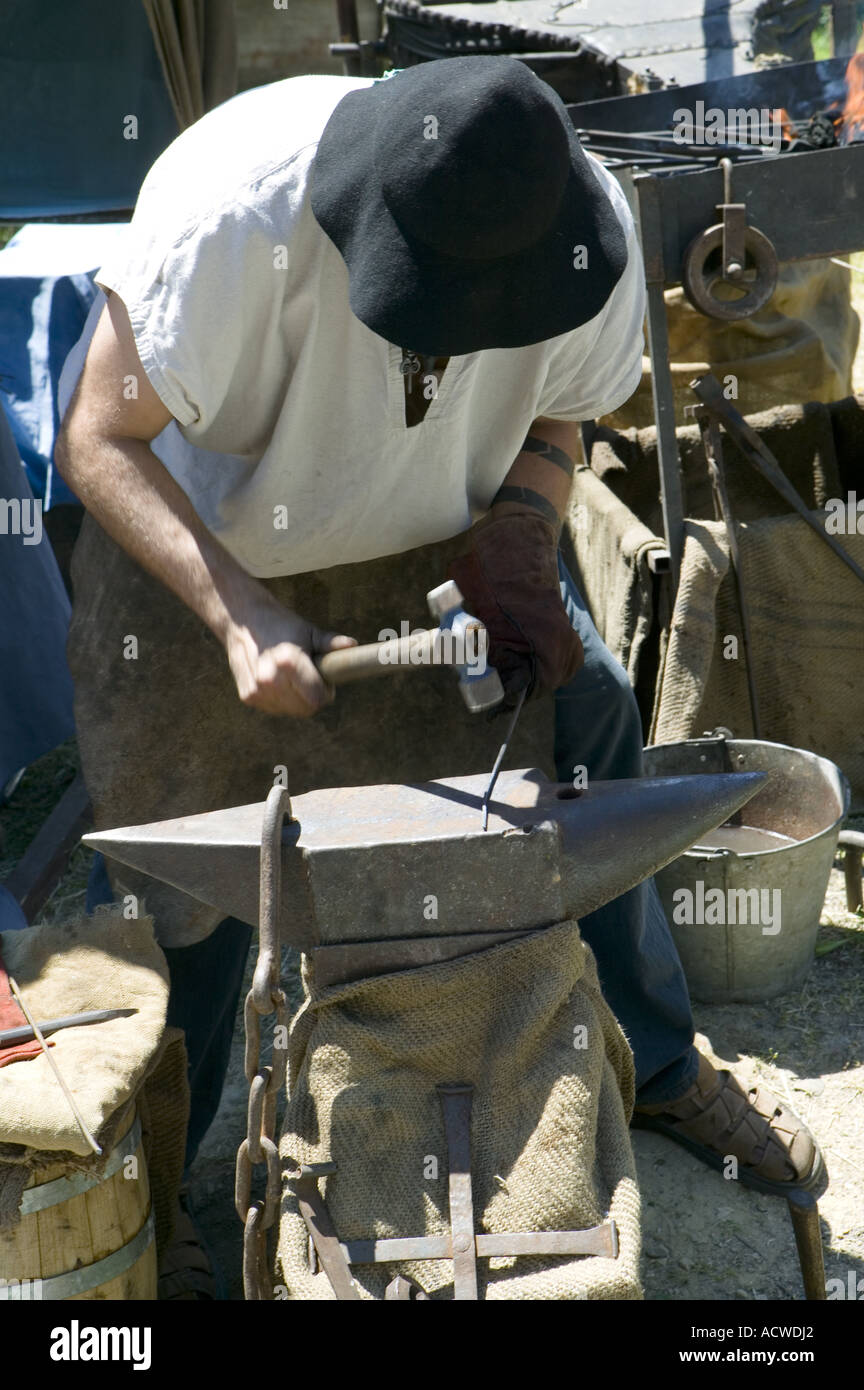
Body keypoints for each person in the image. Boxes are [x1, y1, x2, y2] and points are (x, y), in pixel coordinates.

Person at [56, 57, 821, 1294]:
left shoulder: (587, 237)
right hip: (205, 557)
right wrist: (241, 613)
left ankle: (663, 1064)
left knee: (590, 731)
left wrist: (522, 528)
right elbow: (97, 435)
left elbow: (557, 417)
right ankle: (152, 1165)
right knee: (185, 878)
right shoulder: (229, 217)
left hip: (433, 549)